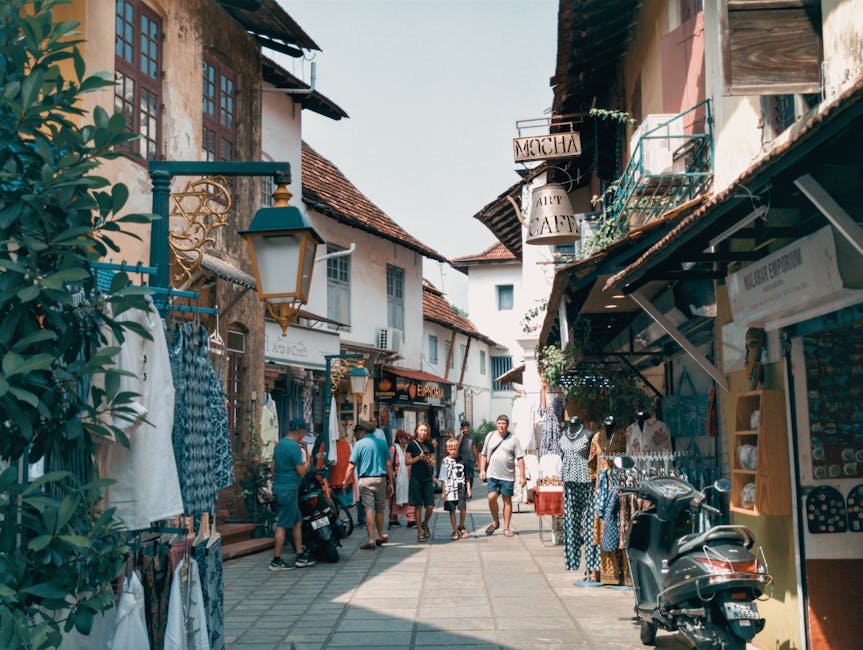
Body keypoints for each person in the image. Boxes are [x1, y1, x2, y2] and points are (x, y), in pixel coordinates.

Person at [269, 419, 317, 570]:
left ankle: (300, 554)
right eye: (304, 433)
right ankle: (276, 560)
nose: (304, 436)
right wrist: (309, 461)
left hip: (280, 487)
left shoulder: (279, 445)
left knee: (297, 521)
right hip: (289, 489)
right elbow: (301, 471)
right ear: (300, 431)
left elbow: (272, 468)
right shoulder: (295, 448)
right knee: (283, 524)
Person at [343, 421, 394, 550]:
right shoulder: (382, 443)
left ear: (363, 431)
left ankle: (371, 540)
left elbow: (351, 465)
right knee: (380, 509)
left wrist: (345, 481)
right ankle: (379, 535)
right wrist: (391, 482)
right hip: (381, 479)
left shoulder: (359, 445)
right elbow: (388, 465)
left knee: (369, 509)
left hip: (365, 480)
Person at [479, 414, 526, 538]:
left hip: (507, 476)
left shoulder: (514, 439)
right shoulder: (490, 436)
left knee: (507, 501)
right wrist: (482, 470)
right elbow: (483, 454)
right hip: (492, 474)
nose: (501, 425)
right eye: (499, 423)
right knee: (491, 497)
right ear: (496, 424)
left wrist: (522, 476)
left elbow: (520, 458)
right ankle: (496, 521)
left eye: (504, 423)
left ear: (507, 425)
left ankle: (506, 527)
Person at [406, 422, 435, 542]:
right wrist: (418, 457)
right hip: (416, 477)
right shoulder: (412, 445)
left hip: (427, 477)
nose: (423, 432)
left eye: (425, 430)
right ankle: (419, 532)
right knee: (417, 506)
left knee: (429, 506)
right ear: (417, 431)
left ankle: (425, 523)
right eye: (421, 430)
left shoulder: (429, 445)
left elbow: (434, 463)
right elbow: (407, 462)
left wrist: (427, 459)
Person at [439, 436, 471, 540]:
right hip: (449, 489)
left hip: (461, 487)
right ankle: (455, 530)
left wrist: (469, 489)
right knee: (451, 510)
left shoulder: (463, 460)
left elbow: (467, 476)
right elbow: (443, 478)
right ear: (447, 449)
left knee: (463, 508)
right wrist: (443, 492)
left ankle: (461, 525)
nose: (453, 451)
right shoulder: (445, 461)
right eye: (451, 449)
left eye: (455, 448)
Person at [389, 429, 415, 528]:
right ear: (399, 439)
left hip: (408, 478)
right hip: (397, 478)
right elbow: (389, 464)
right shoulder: (393, 449)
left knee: (410, 498)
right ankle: (393, 519)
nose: (407, 439)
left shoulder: (408, 449)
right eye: (405, 438)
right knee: (394, 498)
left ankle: (411, 519)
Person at [456, 421, 479, 489]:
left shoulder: (472, 437)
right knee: (461, 477)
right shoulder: (458, 437)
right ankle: (462, 491)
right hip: (460, 460)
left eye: (467, 428)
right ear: (461, 429)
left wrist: (477, 460)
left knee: (470, 476)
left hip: (470, 459)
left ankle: (469, 491)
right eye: (464, 428)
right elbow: (457, 446)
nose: (466, 429)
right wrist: (461, 436)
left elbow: (474, 448)